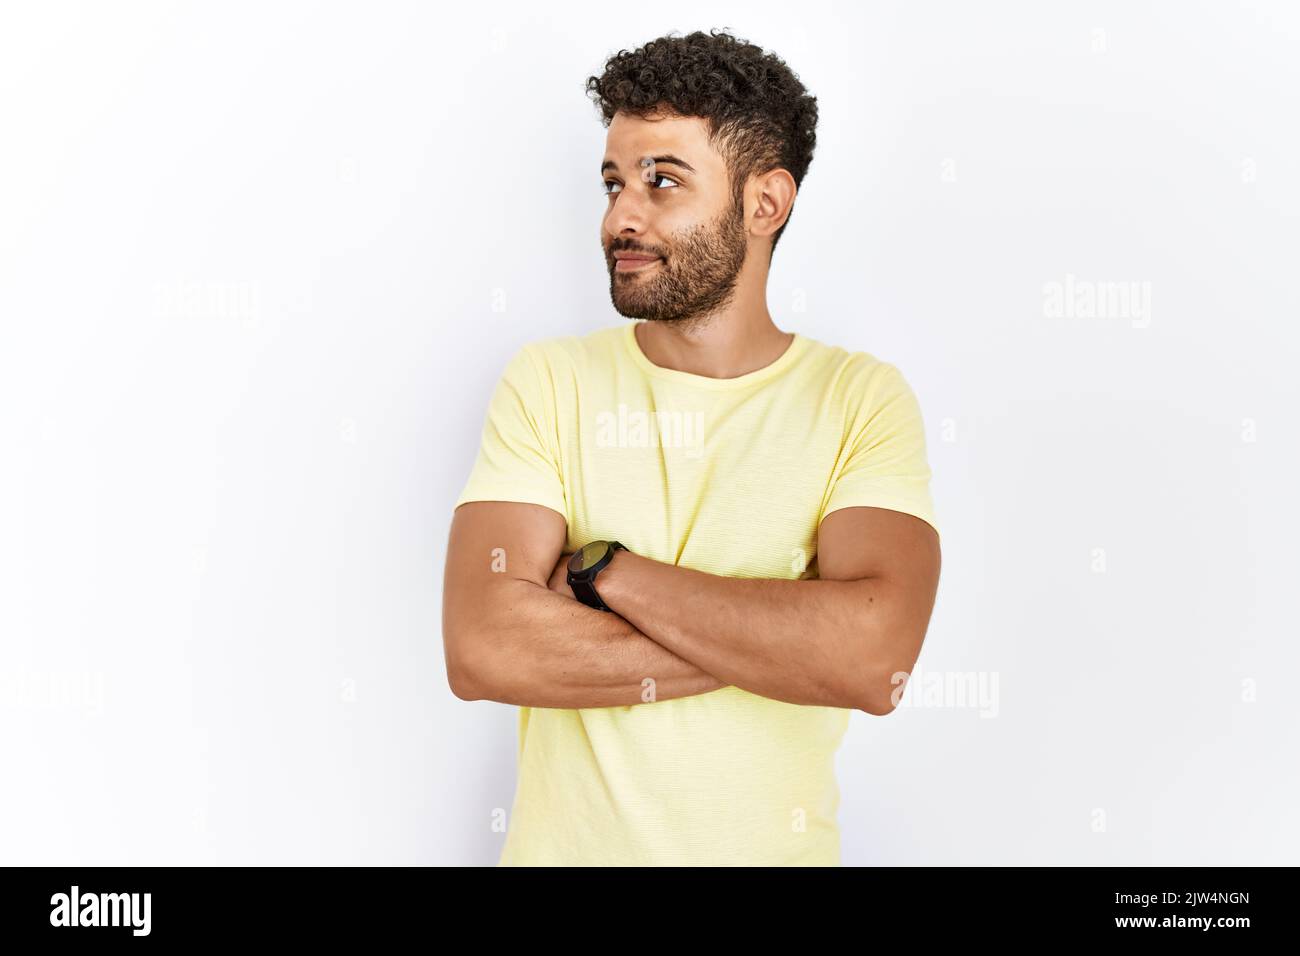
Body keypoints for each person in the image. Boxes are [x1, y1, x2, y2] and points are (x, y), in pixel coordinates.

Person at [442, 28, 941, 866]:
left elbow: (873, 656)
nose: (619, 217)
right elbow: (482, 647)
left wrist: (606, 575)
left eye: (661, 182)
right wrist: (789, 635)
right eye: (613, 183)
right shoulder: (550, 383)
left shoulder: (859, 399)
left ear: (765, 203)